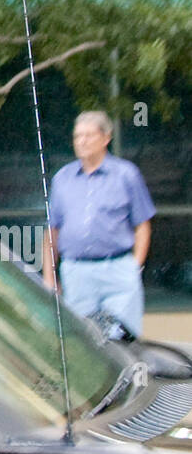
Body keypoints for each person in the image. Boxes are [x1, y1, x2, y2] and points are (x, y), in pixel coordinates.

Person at [45, 110, 155, 338]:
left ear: (106, 138)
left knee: (121, 339)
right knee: (84, 341)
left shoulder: (126, 174)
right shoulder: (62, 179)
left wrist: (135, 267)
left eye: (88, 135)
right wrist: (49, 277)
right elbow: (52, 231)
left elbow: (143, 225)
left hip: (118, 269)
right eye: (77, 136)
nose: (81, 141)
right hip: (76, 271)